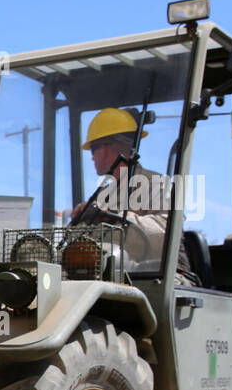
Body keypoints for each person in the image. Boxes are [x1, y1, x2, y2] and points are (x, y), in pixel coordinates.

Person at [68, 107, 180, 272]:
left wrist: (110, 215)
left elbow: (167, 234)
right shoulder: (102, 196)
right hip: (113, 276)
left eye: (93, 149)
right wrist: (80, 224)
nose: (92, 157)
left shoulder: (156, 183)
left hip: (160, 278)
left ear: (107, 147)